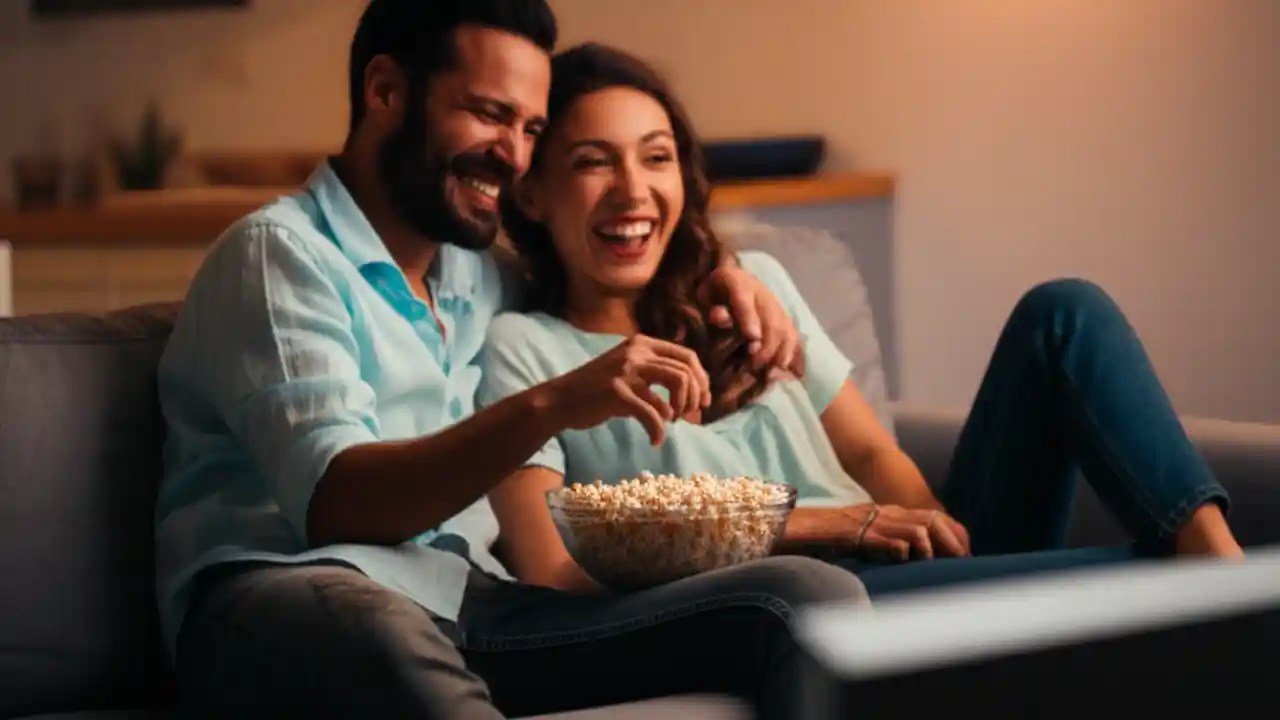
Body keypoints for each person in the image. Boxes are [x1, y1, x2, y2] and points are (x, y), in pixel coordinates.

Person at [154, 2, 871, 718]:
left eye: (530, 129)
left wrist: (724, 277)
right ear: (385, 93)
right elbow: (337, 504)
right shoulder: (276, 256)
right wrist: (552, 404)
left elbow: (609, 273)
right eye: (489, 114)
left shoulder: (479, 274)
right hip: (291, 594)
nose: (517, 154)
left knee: (809, 597)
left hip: (478, 604)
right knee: (373, 628)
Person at [478, 42, 1244, 602]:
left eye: (656, 157)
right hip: (815, 595)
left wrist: (946, 543)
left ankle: (1222, 568)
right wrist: (840, 526)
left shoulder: (751, 289)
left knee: (1064, 312)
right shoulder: (527, 352)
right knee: (1147, 582)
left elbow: (872, 452)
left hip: (902, 557)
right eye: (591, 162)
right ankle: (1226, 600)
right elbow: (552, 569)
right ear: (533, 194)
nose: (633, 191)